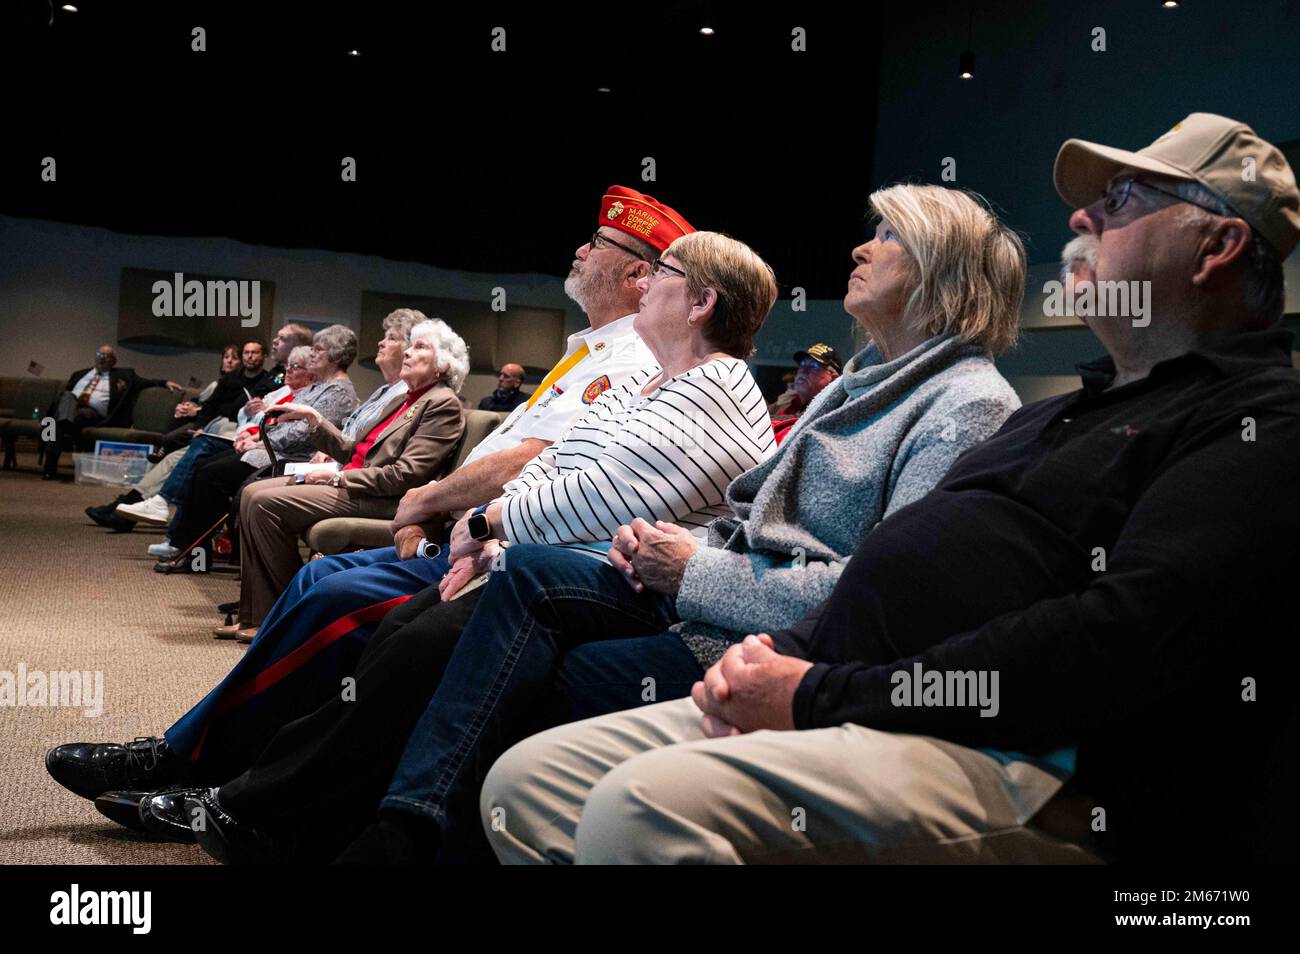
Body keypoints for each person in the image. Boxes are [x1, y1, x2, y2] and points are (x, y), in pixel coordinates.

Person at [482, 113, 1300, 866]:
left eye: (1122, 199)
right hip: (845, 672)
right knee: (526, 787)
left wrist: (819, 691)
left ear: (1217, 246)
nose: (1082, 219)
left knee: (641, 806)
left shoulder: (1256, 419)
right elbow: (882, 570)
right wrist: (784, 657)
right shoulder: (1056, 419)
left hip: (1031, 756)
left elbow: (1111, 639)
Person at [222, 184, 1029, 865]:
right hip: (699, 593)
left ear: (941, 273)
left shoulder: (966, 405)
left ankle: (374, 828)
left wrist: (675, 559)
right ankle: (344, 817)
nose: (860, 249)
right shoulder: (857, 383)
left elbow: (880, 595)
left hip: (767, 639)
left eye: (888, 237)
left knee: (471, 637)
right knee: (443, 619)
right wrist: (669, 548)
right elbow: (708, 514)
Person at [46, 185, 691, 801]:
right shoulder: (587, 352)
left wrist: (429, 502)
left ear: (639, 277)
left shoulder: (629, 361)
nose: (580, 250)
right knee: (315, 579)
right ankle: (213, 755)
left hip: (497, 550)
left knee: (333, 596)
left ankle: (192, 762)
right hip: (459, 531)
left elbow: (538, 461)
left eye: (598, 242)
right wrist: (433, 508)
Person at [228, 318, 468, 637]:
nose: (408, 352)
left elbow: (407, 476)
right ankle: (255, 616)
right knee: (251, 494)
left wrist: (339, 480)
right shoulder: (404, 398)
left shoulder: (443, 404)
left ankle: (284, 618)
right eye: (409, 345)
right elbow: (354, 449)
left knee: (264, 503)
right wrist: (315, 420)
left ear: (442, 364)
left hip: (382, 499)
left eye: (420, 347)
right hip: (354, 483)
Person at [158, 325, 359, 569]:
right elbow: (280, 421)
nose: (312, 353)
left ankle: (194, 554)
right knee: (203, 463)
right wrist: (256, 438)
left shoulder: (339, 392)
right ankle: (188, 548)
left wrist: (260, 440)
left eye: (319, 349)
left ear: (335, 356)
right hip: (276, 450)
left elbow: (304, 434)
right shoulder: (319, 387)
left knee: (210, 475)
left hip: (291, 458)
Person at [34, 345, 183, 479]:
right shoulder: (79, 374)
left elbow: (146, 381)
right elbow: (61, 401)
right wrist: (47, 417)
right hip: (72, 410)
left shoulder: (125, 375)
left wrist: (165, 382)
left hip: (93, 414)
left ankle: (51, 463)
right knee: (66, 397)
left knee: (59, 423)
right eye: (99, 355)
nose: (102, 359)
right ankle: (64, 427)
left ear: (113, 361)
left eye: (106, 356)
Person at [157, 341, 271, 453]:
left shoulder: (267, 381)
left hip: (238, 428)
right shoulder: (230, 378)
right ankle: (161, 450)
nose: (250, 356)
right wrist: (199, 427)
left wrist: (198, 412)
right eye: (246, 353)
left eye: (254, 353)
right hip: (213, 423)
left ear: (263, 355)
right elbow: (210, 404)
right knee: (174, 435)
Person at [768, 343, 841, 442]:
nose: (804, 370)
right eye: (803, 364)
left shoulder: (831, 410)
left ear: (834, 378)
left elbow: (800, 421)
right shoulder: (786, 403)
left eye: (814, 366)